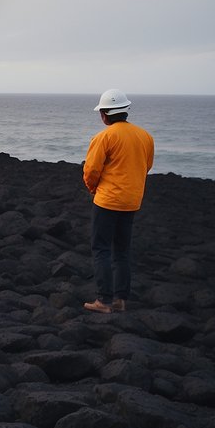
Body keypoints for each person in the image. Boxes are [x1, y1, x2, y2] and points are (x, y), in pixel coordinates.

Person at [82, 88, 154, 313]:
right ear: (125, 111)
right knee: (122, 250)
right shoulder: (145, 136)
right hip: (131, 201)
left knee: (101, 249)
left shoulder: (104, 137)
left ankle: (103, 301)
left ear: (104, 114)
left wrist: (93, 188)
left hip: (107, 201)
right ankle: (121, 300)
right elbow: (147, 166)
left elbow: (91, 170)